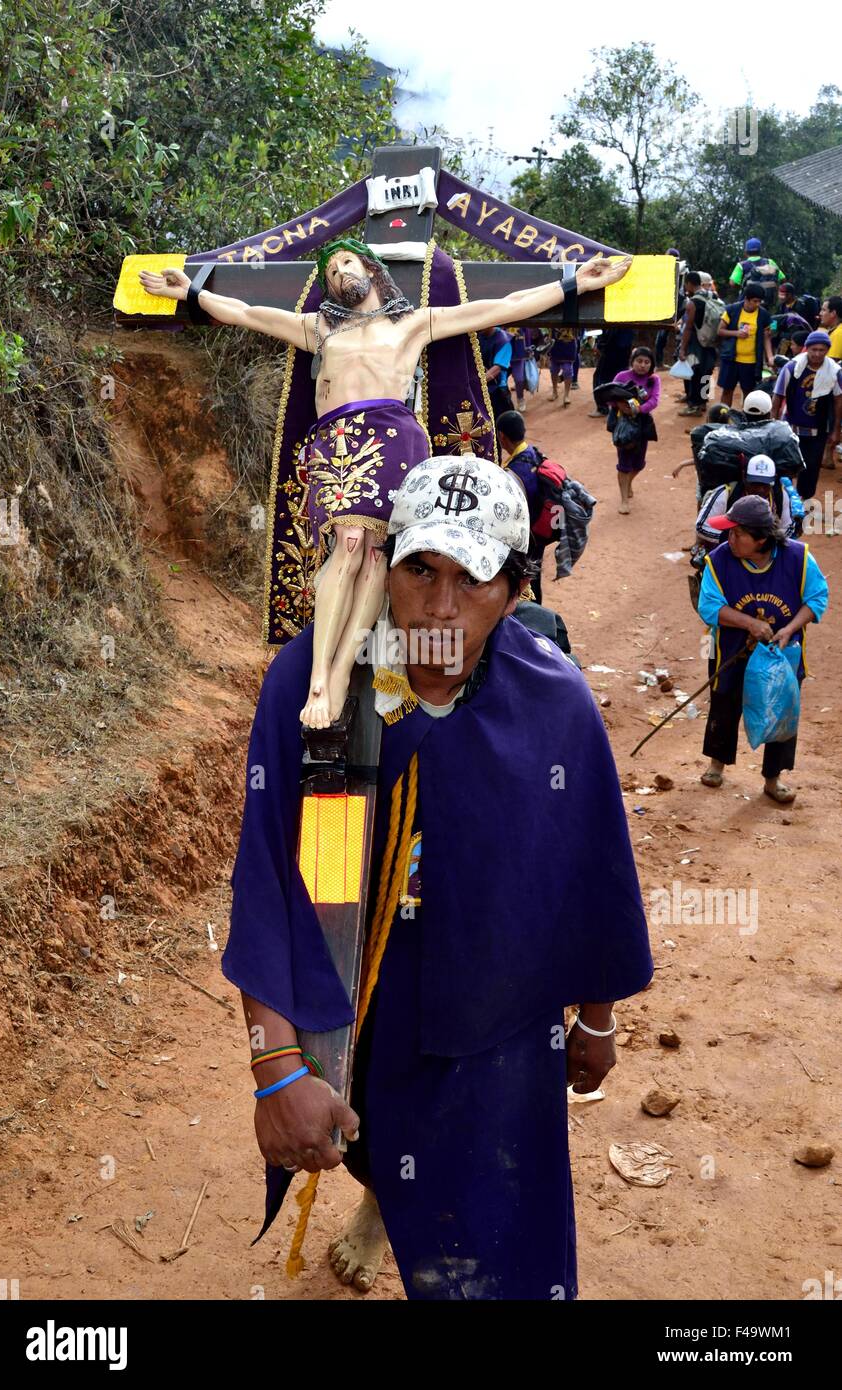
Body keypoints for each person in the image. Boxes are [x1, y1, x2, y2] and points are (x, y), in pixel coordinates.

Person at [223, 453, 654, 1300]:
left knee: (491, 1257)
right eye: (421, 569)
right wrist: (277, 1066)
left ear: (517, 591)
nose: (441, 605)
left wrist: (595, 1022)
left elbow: (588, 870)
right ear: (384, 567)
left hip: (498, 1029)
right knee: (372, 1144)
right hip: (357, 1005)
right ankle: (383, 1193)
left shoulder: (556, 705)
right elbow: (277, 877)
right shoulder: (320, 690)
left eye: (474, 578)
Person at [140, 242, 630, 728]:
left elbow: (500, 308)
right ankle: (318, 676)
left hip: (393, 438)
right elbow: (248, 313)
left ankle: (336, 677)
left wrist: (574, 284)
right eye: (329, 271)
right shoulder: (319, 329)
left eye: (346, 263)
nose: (338, 274)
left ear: (370, 269)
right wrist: (192, 293)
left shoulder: (411, 324)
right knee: (347, 547)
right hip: (335, 440)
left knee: (376, 554)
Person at [698, 495, 828, 804]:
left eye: (737, 533)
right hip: (730, 650)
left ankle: (773, 778)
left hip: (783, 653)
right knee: (725, 702)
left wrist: (790, 629)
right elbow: (708, 606)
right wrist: (748, 624)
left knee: (782, 709)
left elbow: (817, 598)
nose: (729, 538)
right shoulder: (718, 560)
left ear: (761, 539)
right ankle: (716, 763)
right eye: (729, 531)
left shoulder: (798, 557)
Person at [771, 330, 842, 499]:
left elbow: (839, 401)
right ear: (807, 349)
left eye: (822, 350)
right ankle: (782, 502)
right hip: (790, 426)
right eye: (814, 349)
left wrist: (835, 430)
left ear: (827, 350)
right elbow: (778, 395)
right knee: (785, 466)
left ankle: (804, 503)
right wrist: (773, 425)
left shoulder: (834, 372)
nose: (817, 354)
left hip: (818, 428)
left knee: (811, 468)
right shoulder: (791, 368)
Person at [497, 409, 545, 600]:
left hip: (526, 538)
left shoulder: (512, 474)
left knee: (525, 581)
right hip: (539, 530)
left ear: (501, 436)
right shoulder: (533, 453)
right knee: (535, 576)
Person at [695, 454, 796, 546]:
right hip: (728, 550)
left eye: (765, 484)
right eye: (755, 483)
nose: (760, 489)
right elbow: (701, 526)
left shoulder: (780, 496)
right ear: (744, 477)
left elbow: (788, 527)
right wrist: (735, 540)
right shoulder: (726, 493)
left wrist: (766, 542)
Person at [608, 346, 660, 513]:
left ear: (651, 364)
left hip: (643, 425)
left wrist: (638, 410)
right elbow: (608, 397)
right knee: (624, 463)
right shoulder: (621, 377)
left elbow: (654, 401)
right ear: (632, 362)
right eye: (639, 361)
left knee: (639, 463)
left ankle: (628, 481)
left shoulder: (654, 380)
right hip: (623, 425)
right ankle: (624, 501)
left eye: (646, 362)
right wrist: (620, 406)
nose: (642, 365)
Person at [716, 283, 774, 406]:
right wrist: (736, 333)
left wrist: (770, 357)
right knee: (727, 390)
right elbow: (720, 331)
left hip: (751, 362)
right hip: (731, 359)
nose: (757, 304)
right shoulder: (732, 310)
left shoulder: (764, 315)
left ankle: (747, 420)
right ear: (746, 299)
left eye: (759, 301)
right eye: (755, 301)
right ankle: (723, 418)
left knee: (749, 392)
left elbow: (767, 337)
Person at [678, 271, 720, 417]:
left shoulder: (693, 303)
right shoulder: (713, 296)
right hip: (711, 340)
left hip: (697, 341)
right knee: (707, 372)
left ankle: (694, 405)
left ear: (689, 284)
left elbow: (688, 328)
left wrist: (683, 349)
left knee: (694, 372)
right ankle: (703, 402)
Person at [589, 326, 635, 416]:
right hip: (624, 348)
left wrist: (601, 345)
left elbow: (610, 331)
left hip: (612, 348)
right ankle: (626, 405)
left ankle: (603, 408)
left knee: (600, 378)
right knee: (622, 378)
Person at [727, 237, 785, 308]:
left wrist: (743, 286)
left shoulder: (741, 265)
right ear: (760, 250)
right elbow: (783, 279)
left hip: (748, 304)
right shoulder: (770, 262)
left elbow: (732, 283)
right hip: (766, 303)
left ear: (746, 251)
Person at [479, 325, 514, 419]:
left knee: (503, 425)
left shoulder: (503, 340)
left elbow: (497, 368)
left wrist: (477, 382)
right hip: (481, 390)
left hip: (498, 391)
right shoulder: (477, 337)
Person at [547, 326, 579, 407]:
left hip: (569, 347)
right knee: (554, 370)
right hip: (556, 347)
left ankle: (566, 395)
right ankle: (554, 391)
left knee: (567, 370)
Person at [506, 326, 530, 412]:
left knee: (519, 379)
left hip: (518, 354)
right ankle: (505, 402)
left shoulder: (521, 318)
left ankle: (520, 399)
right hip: (503, 354)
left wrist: (528, 349)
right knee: (501, 381)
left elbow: (527, 334)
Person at [818, 296, 842, 361]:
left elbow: (832, 363)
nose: (820, 313)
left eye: (823, 310)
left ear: (833, 313)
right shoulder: (836, 330)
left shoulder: (838, 333)